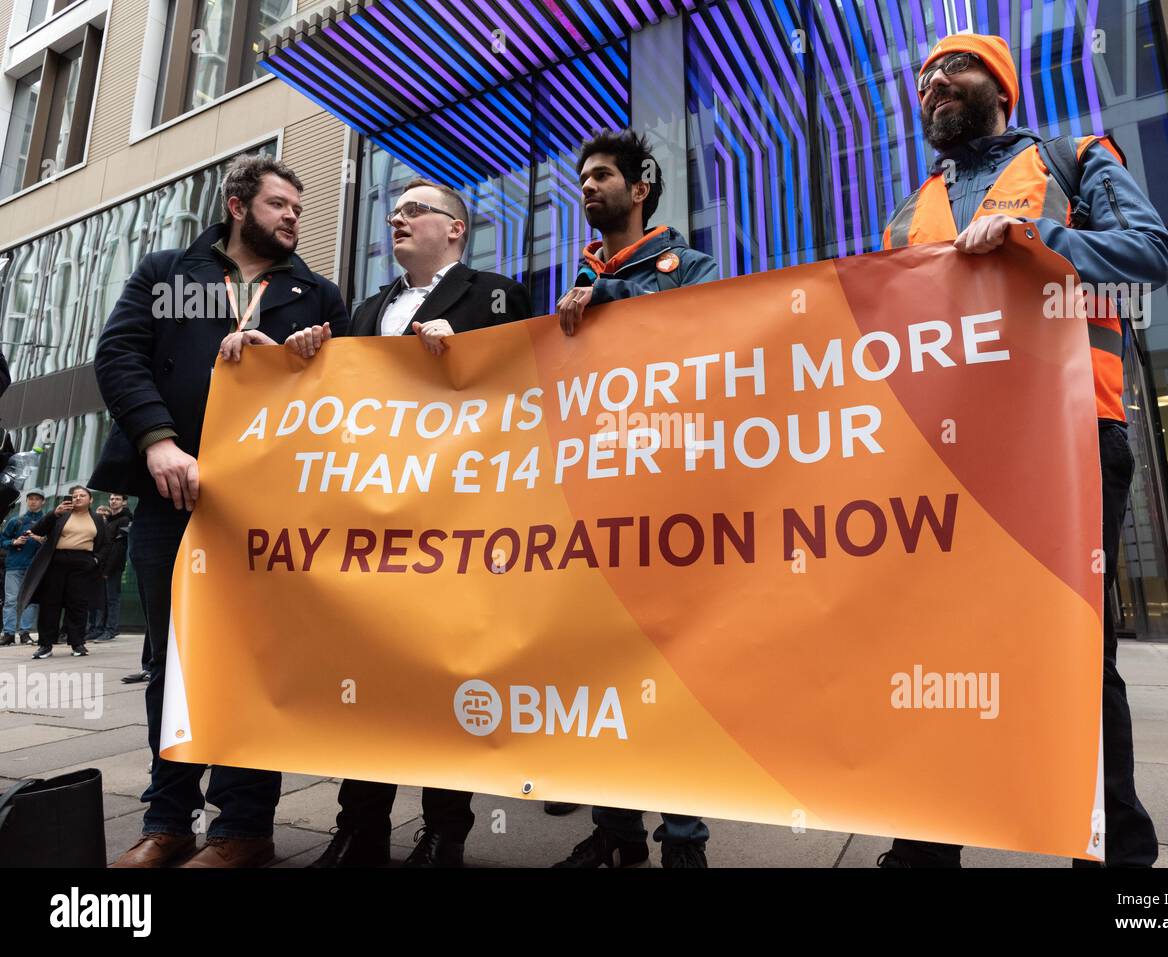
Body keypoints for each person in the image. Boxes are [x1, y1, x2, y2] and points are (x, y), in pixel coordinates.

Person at [876, 33, 1168, 868]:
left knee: (1075, 644)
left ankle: (1116, 852)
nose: (935, 83)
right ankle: (926, 846)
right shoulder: (907, 214)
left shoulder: (1075, 160)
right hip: (952, 453)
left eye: (955, 70)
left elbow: (1152, 255)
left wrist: (1040, 238)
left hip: (1072, 432)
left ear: (1000, 87)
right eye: (925, 78)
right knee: (942, 646)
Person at [91, 153, 349, 868]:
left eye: (299, 207)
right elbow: (119, 355)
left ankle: (243, 828)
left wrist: (297, 364)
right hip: (173, 496)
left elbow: (353, 398)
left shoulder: (316, 296)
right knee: (171, 658)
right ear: (238, 206)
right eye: (278, 205)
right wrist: (158, 441)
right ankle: (166, 820)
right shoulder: (168, 273)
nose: (293, 216)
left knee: (253, 657)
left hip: (269, 507)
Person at [282, 178, 532, 868]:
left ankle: (444, 829)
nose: (398, 215)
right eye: (394, 208)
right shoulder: (366, 308)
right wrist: (304, 355)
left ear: (455, 229)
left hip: (460, 520)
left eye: (416, 208)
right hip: (376, 522)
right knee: (369, 672)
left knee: (449, 674)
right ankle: (360, 825)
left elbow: (537, 378)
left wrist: (473, 344)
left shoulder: (495, 294)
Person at [549, 129, 719, 869]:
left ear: (640, 188)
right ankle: (616, 834)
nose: (587, 185)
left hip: (670, 504)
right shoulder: (575, 280)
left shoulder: (691, 267)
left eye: (602, 175)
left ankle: (684, 843)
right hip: (595, 505)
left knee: (675, 677)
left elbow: (699, 332)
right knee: (600, 671)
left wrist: (608, 294)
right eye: (582, 177)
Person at [17, 487, 108, 659]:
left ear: (91, 500)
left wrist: (96, 560)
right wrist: (54, 513)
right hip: (56, 562)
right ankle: (45, 645)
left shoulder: (97, 519)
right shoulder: (62, 514)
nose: (78, 498)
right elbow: (37, 531)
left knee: (78, 604)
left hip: (83, 563)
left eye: (82, 496)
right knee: (50, 603)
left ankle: (77, 643)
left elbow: (105, 544)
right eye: (75, 496)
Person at [1, 491, 46, 645]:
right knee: (11, 601)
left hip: (35, 567)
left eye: (37, 499)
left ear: (43, 502)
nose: (33, 502)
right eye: (31, 499)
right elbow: (2, 540)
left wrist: (41, 540)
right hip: (14, 565)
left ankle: (25, 633)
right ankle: (8, 634)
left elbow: (54, 543)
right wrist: (13, 542)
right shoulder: (16, 521)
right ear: (27, 501)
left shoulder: (47, 521)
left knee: (31, 601)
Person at [88, 493, 133, 643]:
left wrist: (108, 570)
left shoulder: (125, 519)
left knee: (112, 599)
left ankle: (111, 629)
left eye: (117, 499)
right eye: (112, 499)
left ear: (124, 502)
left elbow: (119, 548)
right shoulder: (109, 521)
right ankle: (99, 629)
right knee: (102, 599)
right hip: (103, 566)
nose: (114, 501)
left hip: (113, 567)